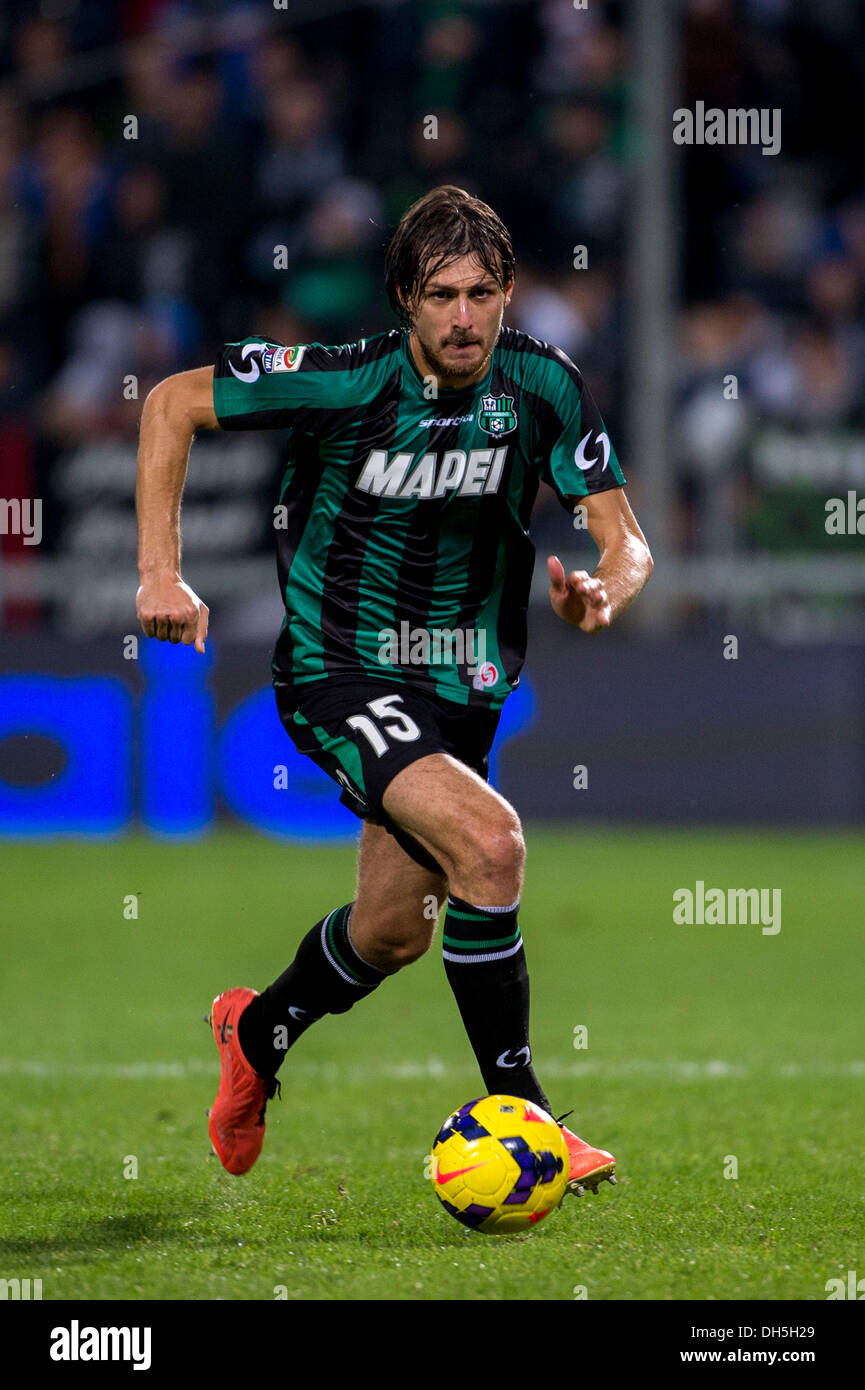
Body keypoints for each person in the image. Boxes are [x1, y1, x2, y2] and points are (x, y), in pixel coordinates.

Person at [135, 185, 653, 1201]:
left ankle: (256, 1029)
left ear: (508, 292)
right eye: (441, 296)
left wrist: (605, 590)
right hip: (342, 666)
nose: (463, 317)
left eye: (481, 293)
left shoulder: (542, 384)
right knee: (491, 843)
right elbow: (171, 404)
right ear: (404, 302)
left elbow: (623, 534)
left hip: (462, 681)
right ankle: (531, 1115)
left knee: (391, 930)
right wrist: (160, 569)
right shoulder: (345, 380)